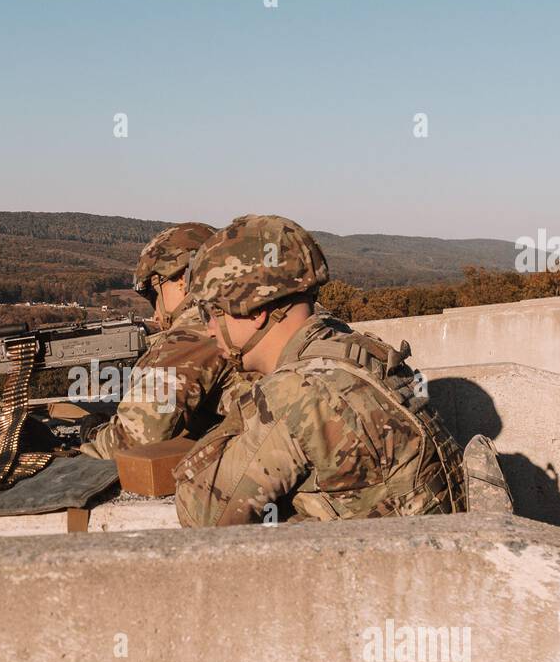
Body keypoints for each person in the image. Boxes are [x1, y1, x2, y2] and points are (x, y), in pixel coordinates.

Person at [173, 214, 466, 526]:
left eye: (211, 312)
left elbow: (203, 515)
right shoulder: (361, 353)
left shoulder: (296, 392)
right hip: (440, 545)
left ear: (254, 309)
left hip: (386, 555)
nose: (209, 329)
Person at [80, 222, 255, 459]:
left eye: (153, 294)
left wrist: (94, 434)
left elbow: (136, 439)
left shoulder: (199, 327)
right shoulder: (243, 311)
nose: (156, 313)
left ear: (183, 279)